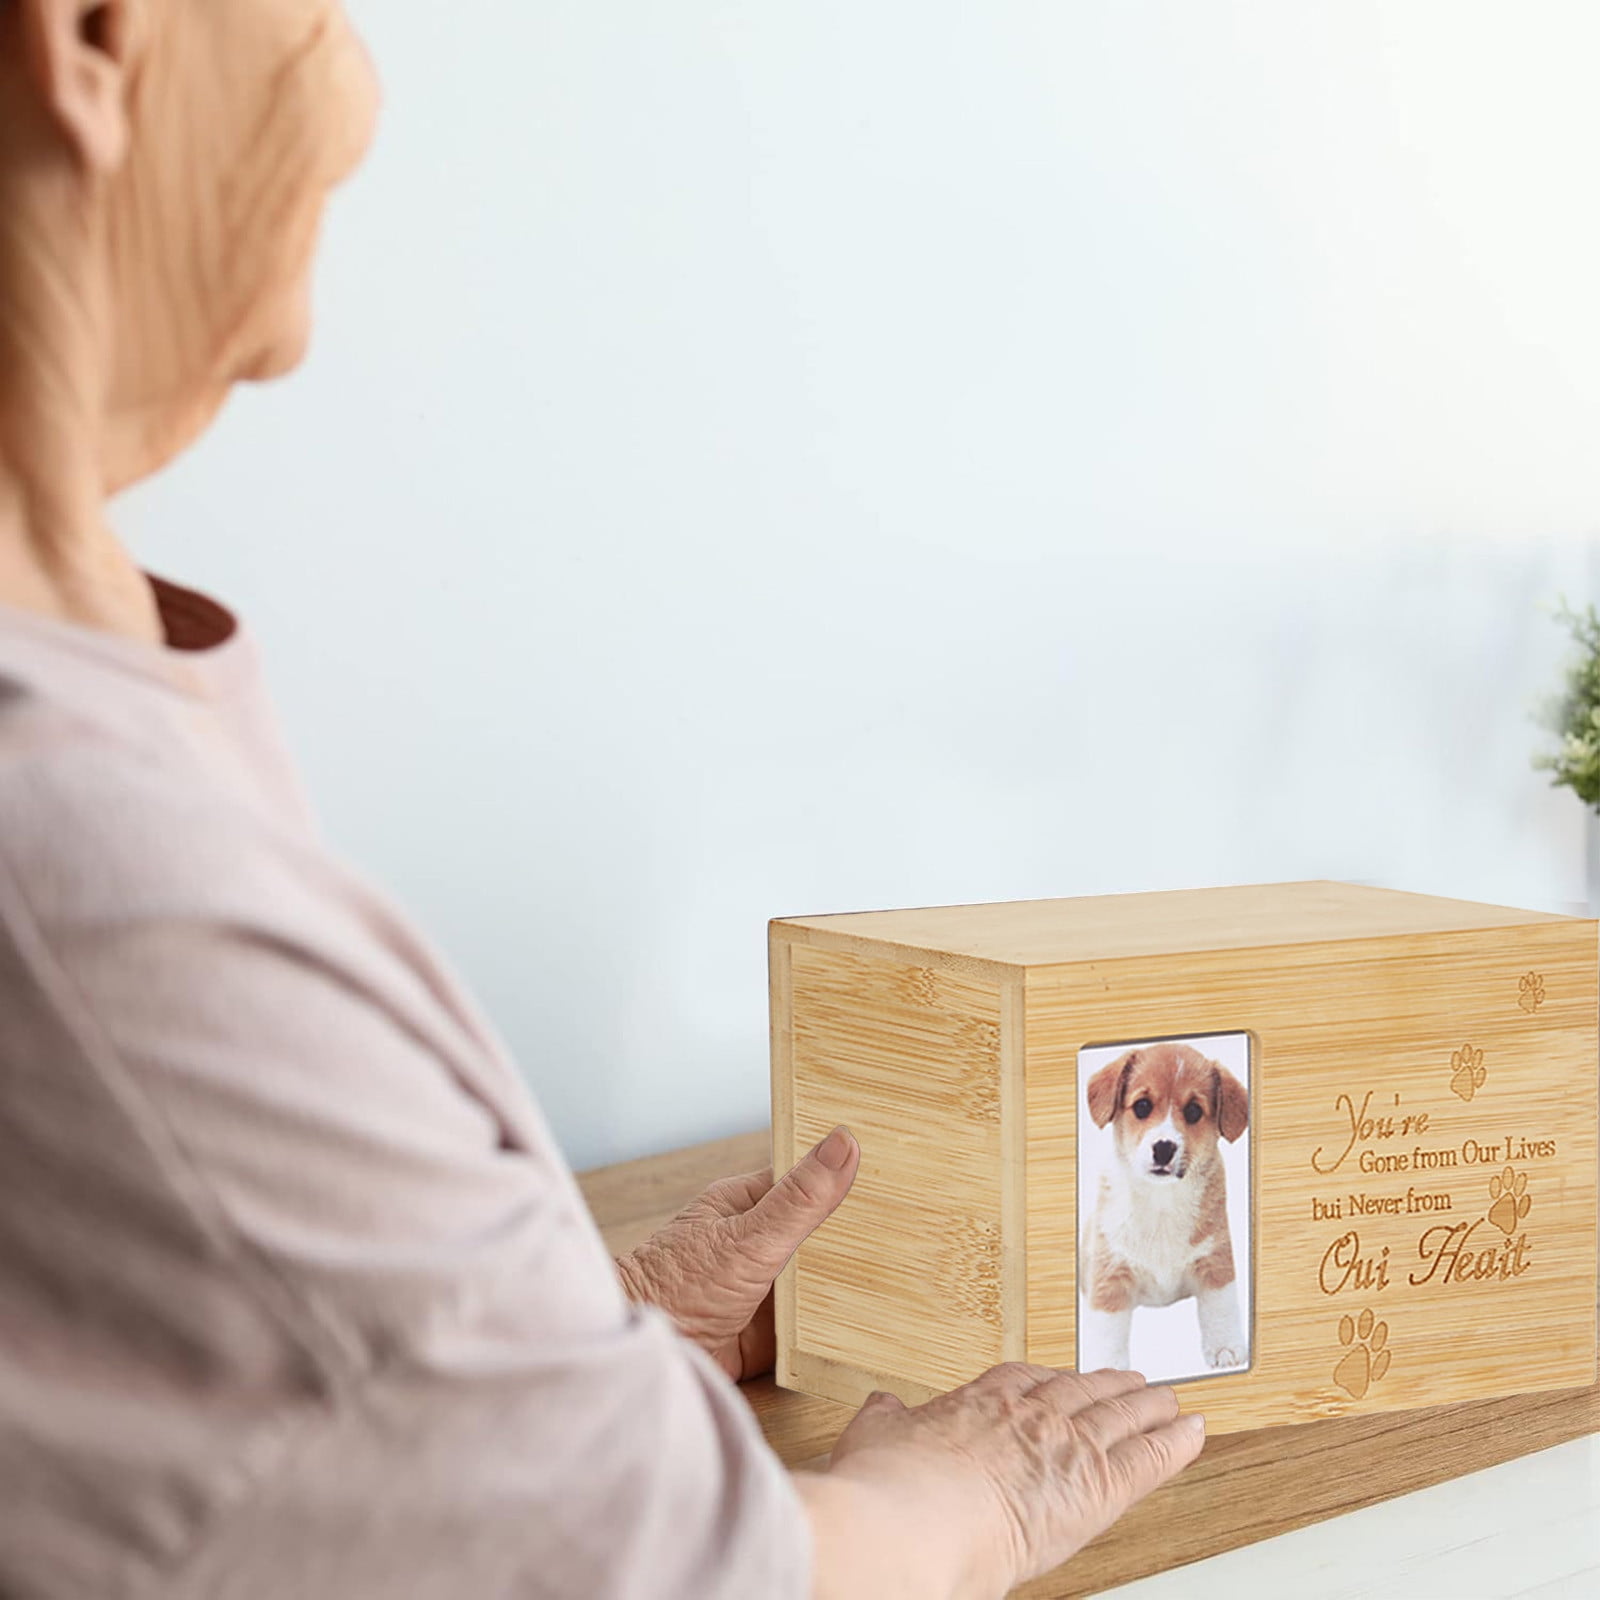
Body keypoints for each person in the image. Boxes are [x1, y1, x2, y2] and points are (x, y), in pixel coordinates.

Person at [0, 3, 1206, 1595]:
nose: (356, 92)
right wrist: (969, 1499)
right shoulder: (89, 884)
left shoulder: (83, 733)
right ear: (87, 39)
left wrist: (560, 1362)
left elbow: (164, 1348)